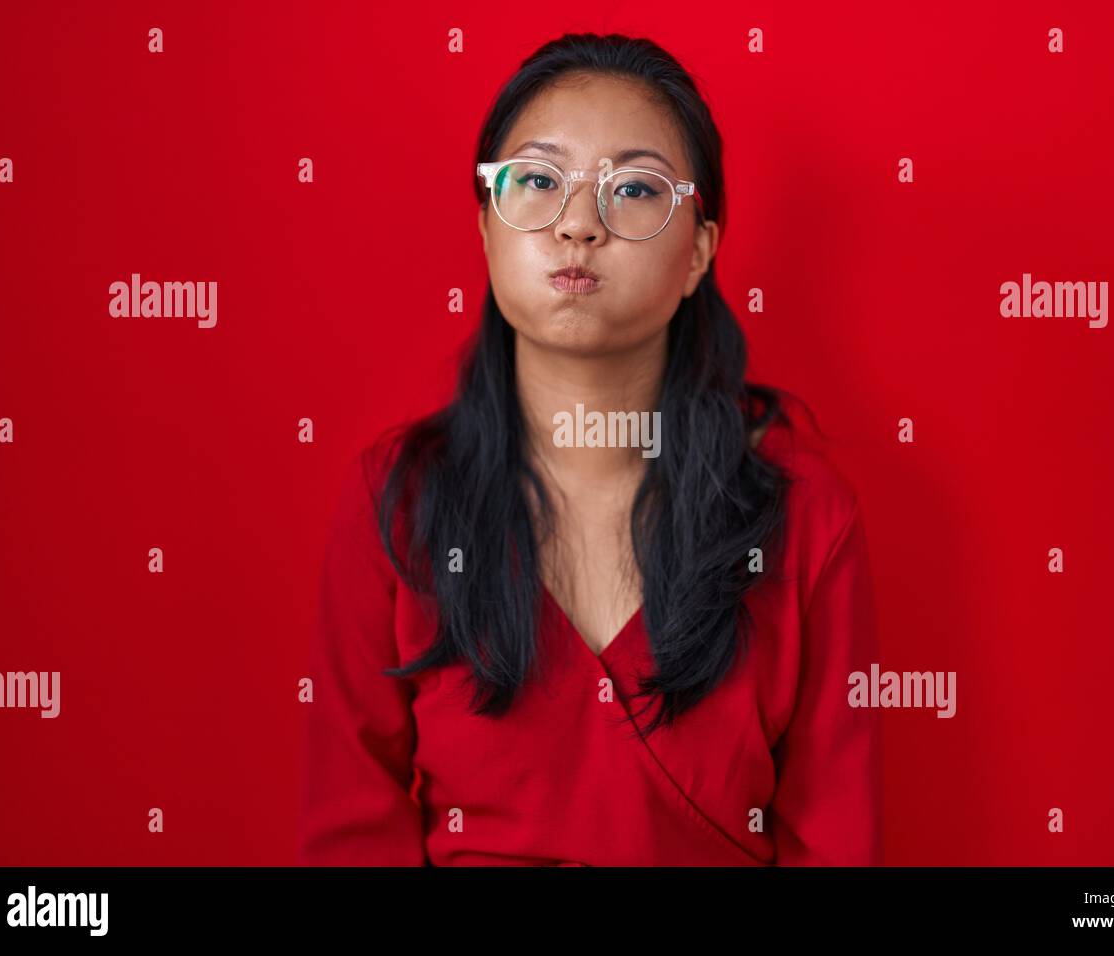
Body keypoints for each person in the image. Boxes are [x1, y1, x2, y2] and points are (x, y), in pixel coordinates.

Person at [297, 32, 881, 866]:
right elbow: (350, 832)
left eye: (634, 190)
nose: (578, 225)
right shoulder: (398, 500)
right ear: (485, 225)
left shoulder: (805, 513)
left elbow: (836, 842)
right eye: (537, 181)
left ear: (699, 254)